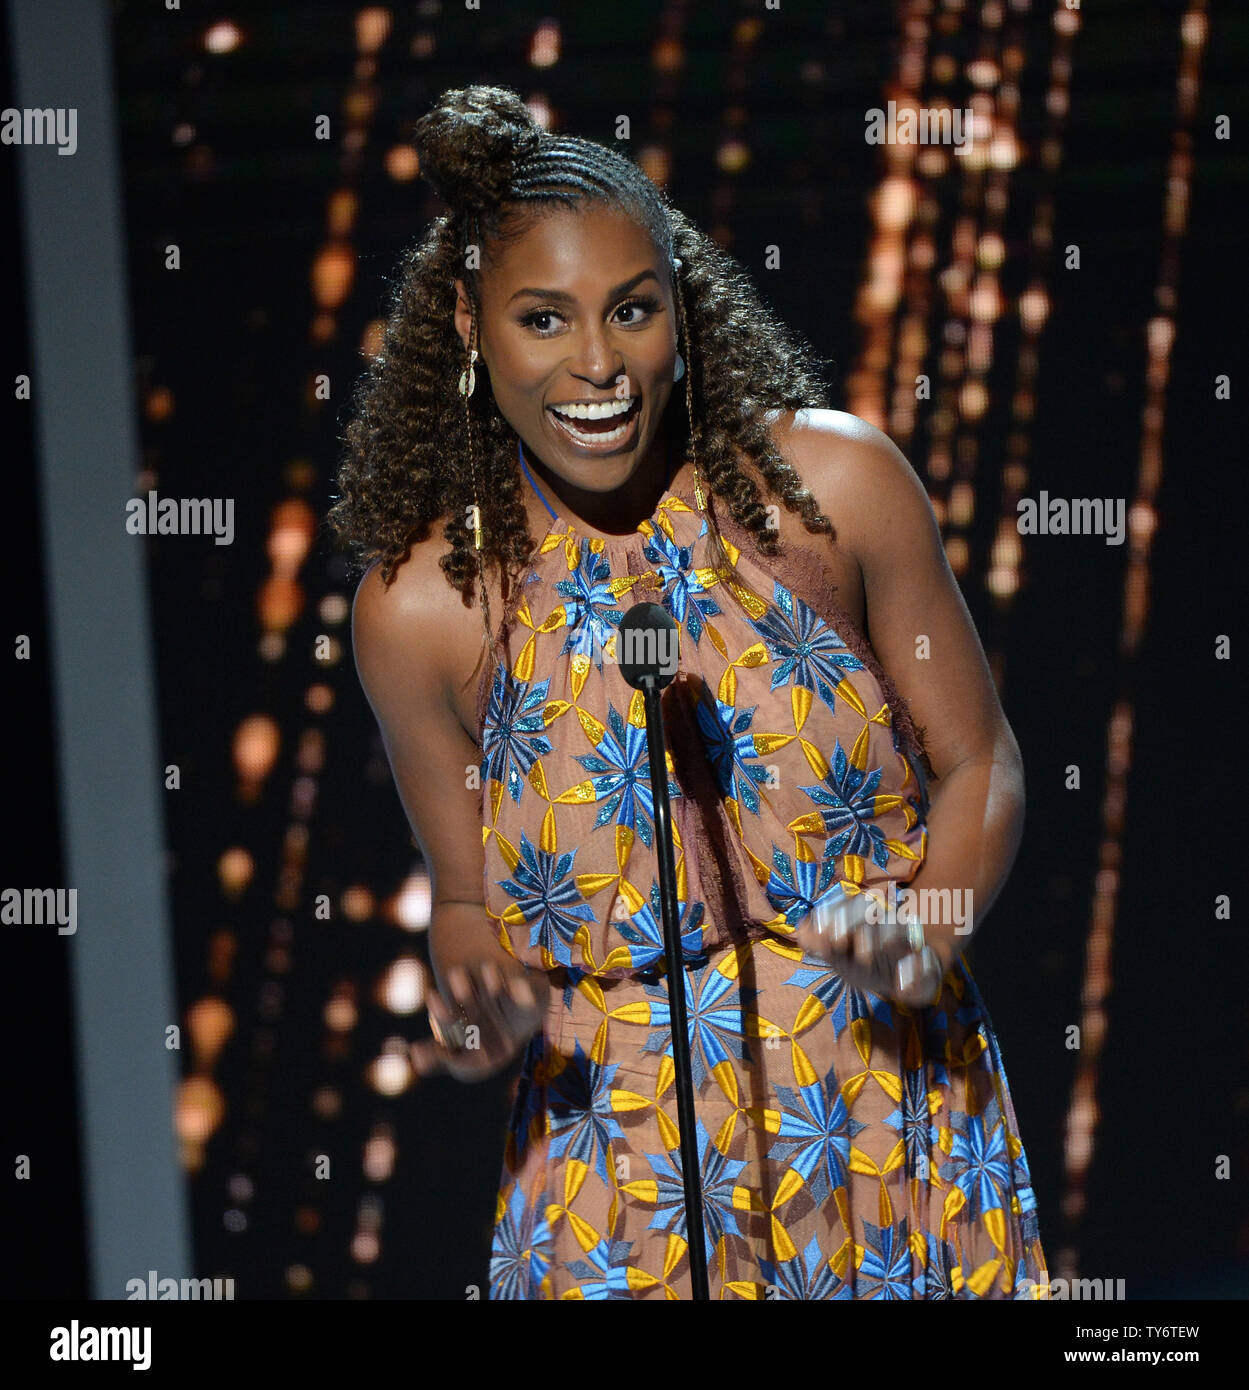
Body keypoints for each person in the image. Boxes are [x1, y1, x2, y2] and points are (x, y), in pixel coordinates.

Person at [330, 85, 1047, 1300]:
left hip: (883, 1111)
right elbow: (466, 908)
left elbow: (981, 764)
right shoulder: (420, 612)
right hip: (613, 1165)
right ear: (468, 323)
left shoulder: (834, 489)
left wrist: (930, 923)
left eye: (631, 311)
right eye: (542, 319)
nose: (596, 363)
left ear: (682, 301)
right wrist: (476, 1012)